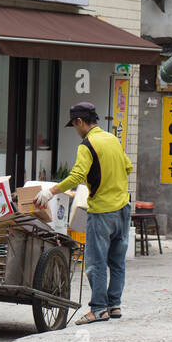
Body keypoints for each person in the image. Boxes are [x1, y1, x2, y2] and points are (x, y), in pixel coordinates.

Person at [36, 102, 133, 325]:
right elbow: (128, 167)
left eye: (74, 125)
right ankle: (114, 305)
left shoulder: (87, 145)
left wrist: (50, 192)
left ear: (80, 122)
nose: (76, 130)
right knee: (117, 261)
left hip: (102, 211)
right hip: (123, 209)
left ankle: (98, 309)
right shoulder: (111, 139)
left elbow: (77, 176)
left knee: (95, 262)